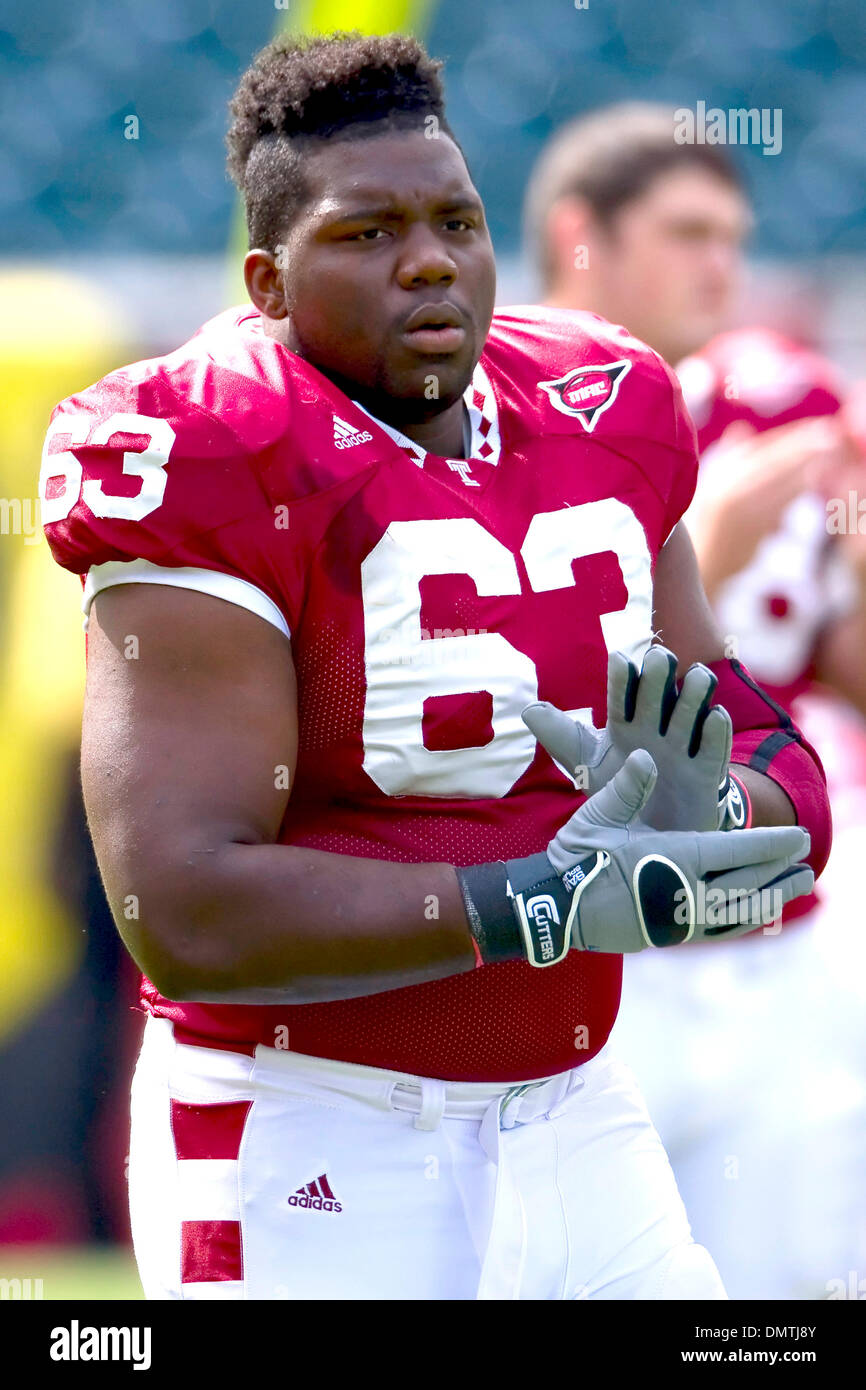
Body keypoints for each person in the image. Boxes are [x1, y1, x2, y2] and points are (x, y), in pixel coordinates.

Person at [40, 35, 825, 1301]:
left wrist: (712, 815)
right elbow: (182, 905)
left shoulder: (601, 404)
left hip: (576, 1110)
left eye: (456, 219)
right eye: (365, 233)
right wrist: (537, 901)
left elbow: (766, 750)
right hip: (311, 1132)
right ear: (267, 281)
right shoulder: (214, 449)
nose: (428, 259)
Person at [526, 101, 865, 1298]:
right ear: (583, 236)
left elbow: (838, 662)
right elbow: (518, 698)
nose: (719, 265)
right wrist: (700, 563)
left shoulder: (777, 404)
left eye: (731, 235)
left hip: (774, 933)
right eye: (685, 232)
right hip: (585, 939)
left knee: (785, 1294)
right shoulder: (501, 414)